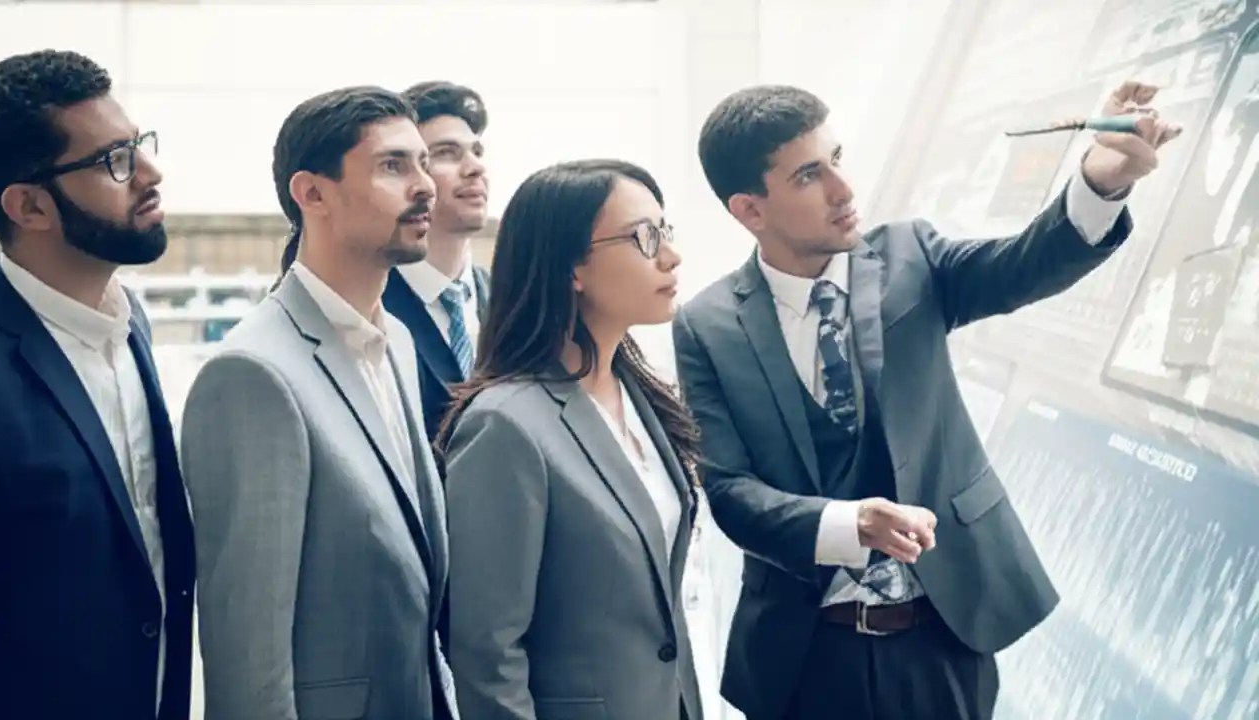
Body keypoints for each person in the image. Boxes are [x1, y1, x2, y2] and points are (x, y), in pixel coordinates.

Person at [673, 82, 1179, 719]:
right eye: (809, 175)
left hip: (944, 635)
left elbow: (1021, 265)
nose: (843, 189)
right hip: (804, 658)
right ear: (750, 210)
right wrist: (847, 526)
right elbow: (729, 492)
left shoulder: (909, 254)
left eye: (838, 157)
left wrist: (1100, 183)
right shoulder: (707, 325)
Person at [179, 86, 457, 720]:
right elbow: (248, 658)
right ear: (312, 193)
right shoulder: (253, 372)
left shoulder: (400, 344)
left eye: (422, 162)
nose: (425, 185)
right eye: (393, 165)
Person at [441, 159, 705, 720]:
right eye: (644, 236)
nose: (670, 255)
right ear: (571, 268)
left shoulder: (641, 398)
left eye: (667, 231)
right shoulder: (505, 425)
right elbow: (487, 651)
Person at [0, 50, 195, 719]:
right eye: (114, 161)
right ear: (30, 206)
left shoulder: (131, 328)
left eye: (138, 147)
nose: (150, 174)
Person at [383, 81, 491, 442]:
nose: (475, 167)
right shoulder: (372, 306)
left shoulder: (514, 302)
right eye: (447, 153)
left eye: (477, 151)